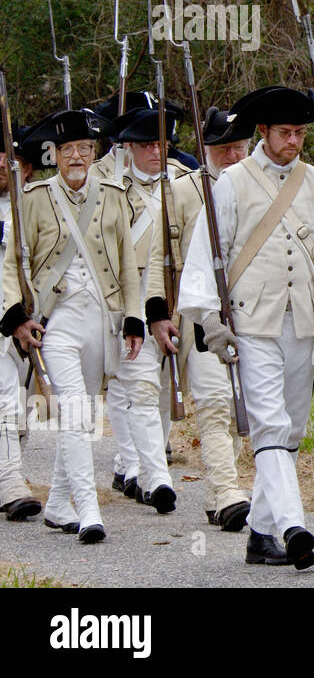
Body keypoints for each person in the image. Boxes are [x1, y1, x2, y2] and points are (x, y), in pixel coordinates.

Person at [178, 86, 314, 570]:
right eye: (285, 132)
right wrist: (208, 318)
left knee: (292, 429)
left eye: (300, 132)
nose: (294, 141)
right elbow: (206, 252)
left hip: (304, 319)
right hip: (252, 320)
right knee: (269, 423)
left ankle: (260, 535)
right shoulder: (232, 182)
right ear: (263, 132)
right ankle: (292, 525)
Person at [1, 108, 145, 543]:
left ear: (94, 152)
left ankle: (59, 504)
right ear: (55, 155)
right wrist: (15, 318)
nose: (77, 156)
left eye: (84, 148)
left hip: (103, 321)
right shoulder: (36, 197)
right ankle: (89, 509)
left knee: (80, 415)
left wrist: (134, 317)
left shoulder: (116, 195)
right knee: (76, 412)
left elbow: (128, 267)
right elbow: (11, 265)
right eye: (67, 150)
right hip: (55, 323)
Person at [146, 106, 254, 532]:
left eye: (238, 148)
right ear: (207, 150)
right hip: (200, 315)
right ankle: (228, 492)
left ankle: (215, 494)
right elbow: (160, 257)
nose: (231, 157)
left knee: (237, 413)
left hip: (251, 314)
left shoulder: (258, 188)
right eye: (223, 149)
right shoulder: (182, 191)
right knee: (213, 404)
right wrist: (158, 313)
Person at [90, 105, 185, 513]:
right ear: (127, 147)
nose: (157, 153)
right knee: (138, 386)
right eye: (147, 145)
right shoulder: (106, 184)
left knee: (161, 390)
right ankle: (153, 475)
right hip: (129, 294)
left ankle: (133, 464)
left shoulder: (183, 182)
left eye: (163, 144)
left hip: (173, 294)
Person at [0, 126, 41, 521]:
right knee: (4, 402)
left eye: (11, 160)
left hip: (30, 326)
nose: (2, 165)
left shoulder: (38, 208)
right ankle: (11, 483)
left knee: (20, 414)